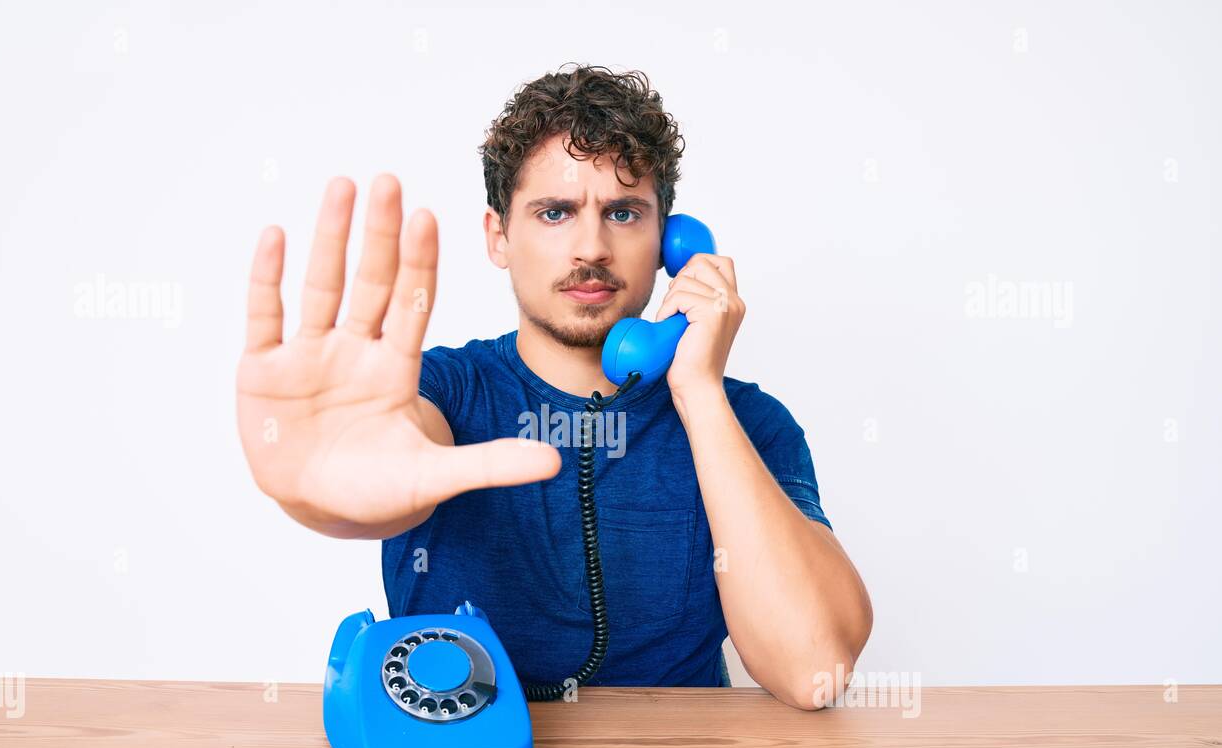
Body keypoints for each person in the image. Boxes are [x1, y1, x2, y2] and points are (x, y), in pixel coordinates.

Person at [236, 64, 872, 708]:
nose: (590, 247)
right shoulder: (436, 390)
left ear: (670, 242)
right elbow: (381, 468)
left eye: (623, 213)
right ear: (499, 237)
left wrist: (700, 394)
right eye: (555, 212)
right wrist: (316, 485)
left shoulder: (749, 420)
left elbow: (811, 668)